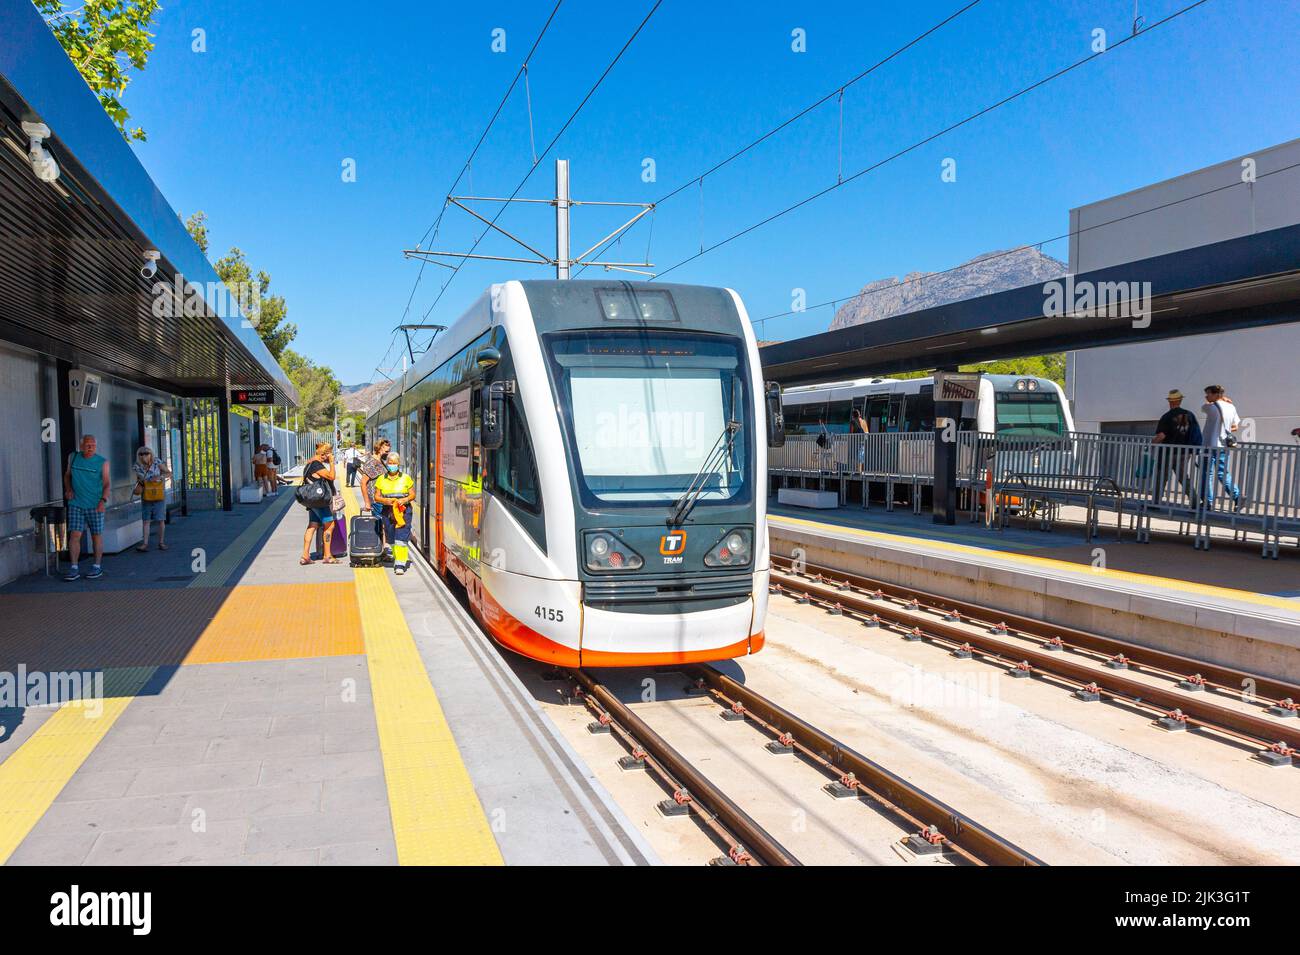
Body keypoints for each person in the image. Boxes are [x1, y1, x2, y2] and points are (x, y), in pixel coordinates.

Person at [63, 434, 110, 581]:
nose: (90, 448)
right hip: (76, 504)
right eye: (87, 445)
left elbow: (107, 483)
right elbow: (67, 475)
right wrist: (69, 489)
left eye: (93, 445)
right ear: (81, 446)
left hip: (95, 504)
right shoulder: (73, 457)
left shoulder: (102, 462)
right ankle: (74, 567)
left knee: (96, 535)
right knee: (74, 535)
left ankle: (96, 566)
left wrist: (103, 500)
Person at [1151, 389, 1201, 504]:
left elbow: (1161, 435)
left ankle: (1156, 502)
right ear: (1180, 401)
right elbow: (1196, 432)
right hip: (1185, 452)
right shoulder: (1190, 415)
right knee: (1183, 477)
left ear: (1170, 402)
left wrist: (1151, 444)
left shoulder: (1167, 417)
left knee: (1161, 476)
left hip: (1168, 452)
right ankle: (1195, 502)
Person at [1200, 384, 1243, 510]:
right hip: (1224, 445)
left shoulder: (1210, 407)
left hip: (1210, 445)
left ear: (1215, 394)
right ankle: (1237, 497)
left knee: (1207, 474)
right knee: (1223, 473)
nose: (1206, 396)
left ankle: (1207, 501)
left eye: (1208, 393)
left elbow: (1203, 406)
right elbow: (1235, 426)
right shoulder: (1232, 407)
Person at [373, 452, 416, 575]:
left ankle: (400, 564)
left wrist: (404, 499)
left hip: (403, 510)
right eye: (390, 463)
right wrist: (385, 500)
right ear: (387, 464)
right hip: (387, 511)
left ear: (399, 464)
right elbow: (376, 496)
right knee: (391, 537)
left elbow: (412, 494)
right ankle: (397, 557)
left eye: (394, 463)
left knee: (401, 538)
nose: (392, 465)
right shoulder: (381, 479)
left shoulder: (406, 478)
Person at [300, 442, 340, 565]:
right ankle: (327, 556)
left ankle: (305, 556)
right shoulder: (316, 465)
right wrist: (332, 463)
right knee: (329, 525)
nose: (330, 456)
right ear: (324, 454)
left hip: (312, 500)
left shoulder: (309, 464)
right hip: (320, 502)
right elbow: (332, 476)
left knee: (312, 526)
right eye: (329, 454)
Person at [132, 446, 172, 551]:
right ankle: (145, 544)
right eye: (141, 454)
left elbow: (168, 473)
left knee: (160, 519)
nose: (143, 456)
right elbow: (138, 478)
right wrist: (140, 482)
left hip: (158, 493)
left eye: (146, 453)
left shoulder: (157, 462)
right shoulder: (137, 466)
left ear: (151, 454)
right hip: (146, 494)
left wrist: (159, 477)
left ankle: (161, 542)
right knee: (146, 520)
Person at [358, 438, 391, 556]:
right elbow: (363, 483)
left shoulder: (380, 461)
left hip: (382, 499)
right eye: (386, 451)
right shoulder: (372, 463)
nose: (387, 454)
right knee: (381, 524)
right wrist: (367, 502)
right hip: (376, 499)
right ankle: (381, 550)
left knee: (383, 524)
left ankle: (382, 550)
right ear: (379, 448)